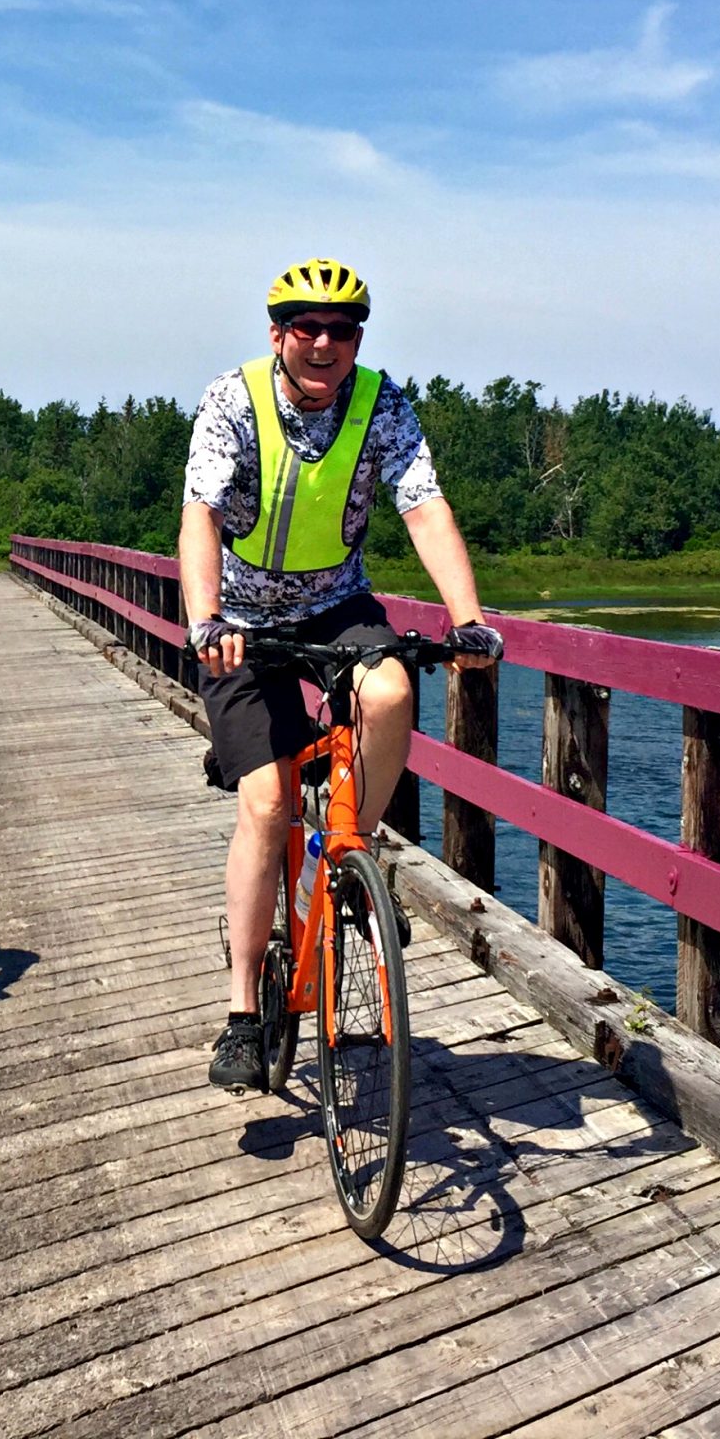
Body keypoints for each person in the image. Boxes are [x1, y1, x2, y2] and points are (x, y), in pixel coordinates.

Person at [180, 258, 497, 1092]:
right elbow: (201, 513)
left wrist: (467, 617)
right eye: (307, 327)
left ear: (358, 338)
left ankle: (352, 849)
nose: (325, 343)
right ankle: (243, 1013)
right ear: (278, 333)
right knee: (268, 803)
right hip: (242, 623)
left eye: (343, 329)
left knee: (391, 688)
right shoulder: (233, 400)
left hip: (335, 605)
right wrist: (205, 619)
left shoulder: (381, 401)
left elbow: (422, 502)